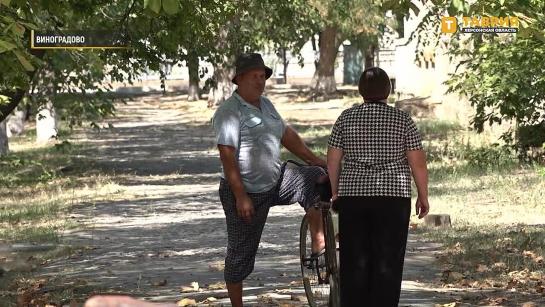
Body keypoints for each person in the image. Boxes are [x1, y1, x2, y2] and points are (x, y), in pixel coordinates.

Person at [212, 52, 328, 307]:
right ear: (239, 79)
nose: (260, 81)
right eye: (254, 76)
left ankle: (319, 241)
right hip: (244, 191)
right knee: (240, 256)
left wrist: (313, 159)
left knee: (316, 178)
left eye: (262, 76)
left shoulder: (266, 105)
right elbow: (227, 155)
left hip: (276, 181)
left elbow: (286, 135)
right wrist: (241, 195)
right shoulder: (229, 112)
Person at [327, 67, 430, 306]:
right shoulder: (402, 119)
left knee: (354, 260)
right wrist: (422, 195)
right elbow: (418, 162)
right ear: (388, 91)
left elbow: (333, 159)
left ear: (361, 91)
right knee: (388, 261)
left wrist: (335, 191)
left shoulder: (346, 118)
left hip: (354, 196)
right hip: (393, 197)